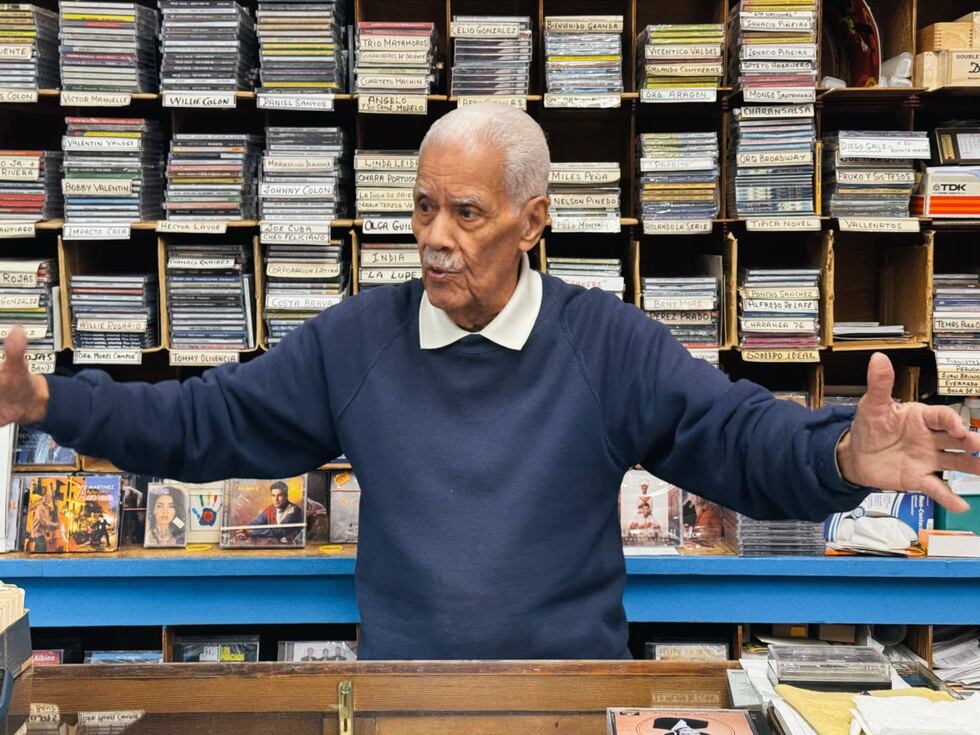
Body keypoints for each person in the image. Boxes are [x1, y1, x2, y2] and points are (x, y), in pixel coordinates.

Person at [0, 103, 977, 660]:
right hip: (402, 700)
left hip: (570, 698)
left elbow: (739, 443)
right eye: (421, 209)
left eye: (465, 213)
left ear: (532, 219)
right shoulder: (357, 342)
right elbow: (201, 425)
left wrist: (842, 450)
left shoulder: (605, 344)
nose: (433, 238)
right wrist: (47, 400)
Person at [235, 481, 304, 543]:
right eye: (273, 496)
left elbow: (279, 531)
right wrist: (244, 530)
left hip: (293, 546)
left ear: (286, 496)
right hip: (278, 547)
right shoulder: (270, 509)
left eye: (279, 495)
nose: (276, 499)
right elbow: (257, 522)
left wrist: (252, 532)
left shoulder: (294, 510)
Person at [29, 485, 62, 553]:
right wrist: (54, 524)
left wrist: (51, 529)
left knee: (38, 551)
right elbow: (44, 521)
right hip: (37, 532)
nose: (48, 501)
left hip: (41, 532)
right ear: (43, 499)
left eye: (49, 499)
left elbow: (47, 522)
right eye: (47, 499)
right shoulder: (40, 508)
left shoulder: (46, 509)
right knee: (43, 549)